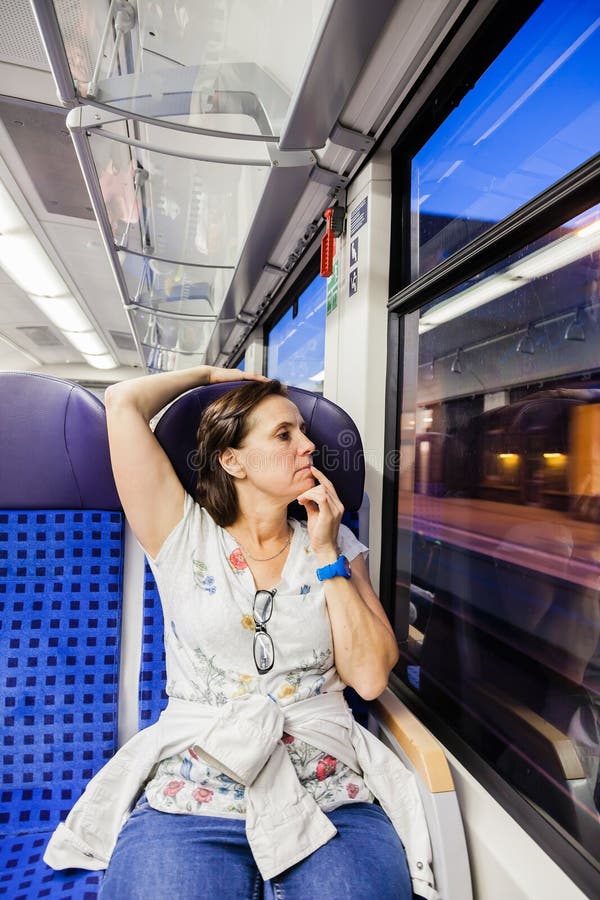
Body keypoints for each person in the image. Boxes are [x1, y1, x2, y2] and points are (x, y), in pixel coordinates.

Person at [43, 365, 437, 900]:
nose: (308, 446)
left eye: (304, 431)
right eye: (284, 435)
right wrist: (207, 375)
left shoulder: (335, 543)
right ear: (233, 460)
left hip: (325, 789)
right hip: (197, 788)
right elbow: (122, 400)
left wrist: (326, 556)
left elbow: (368, 680)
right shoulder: (180, 531)